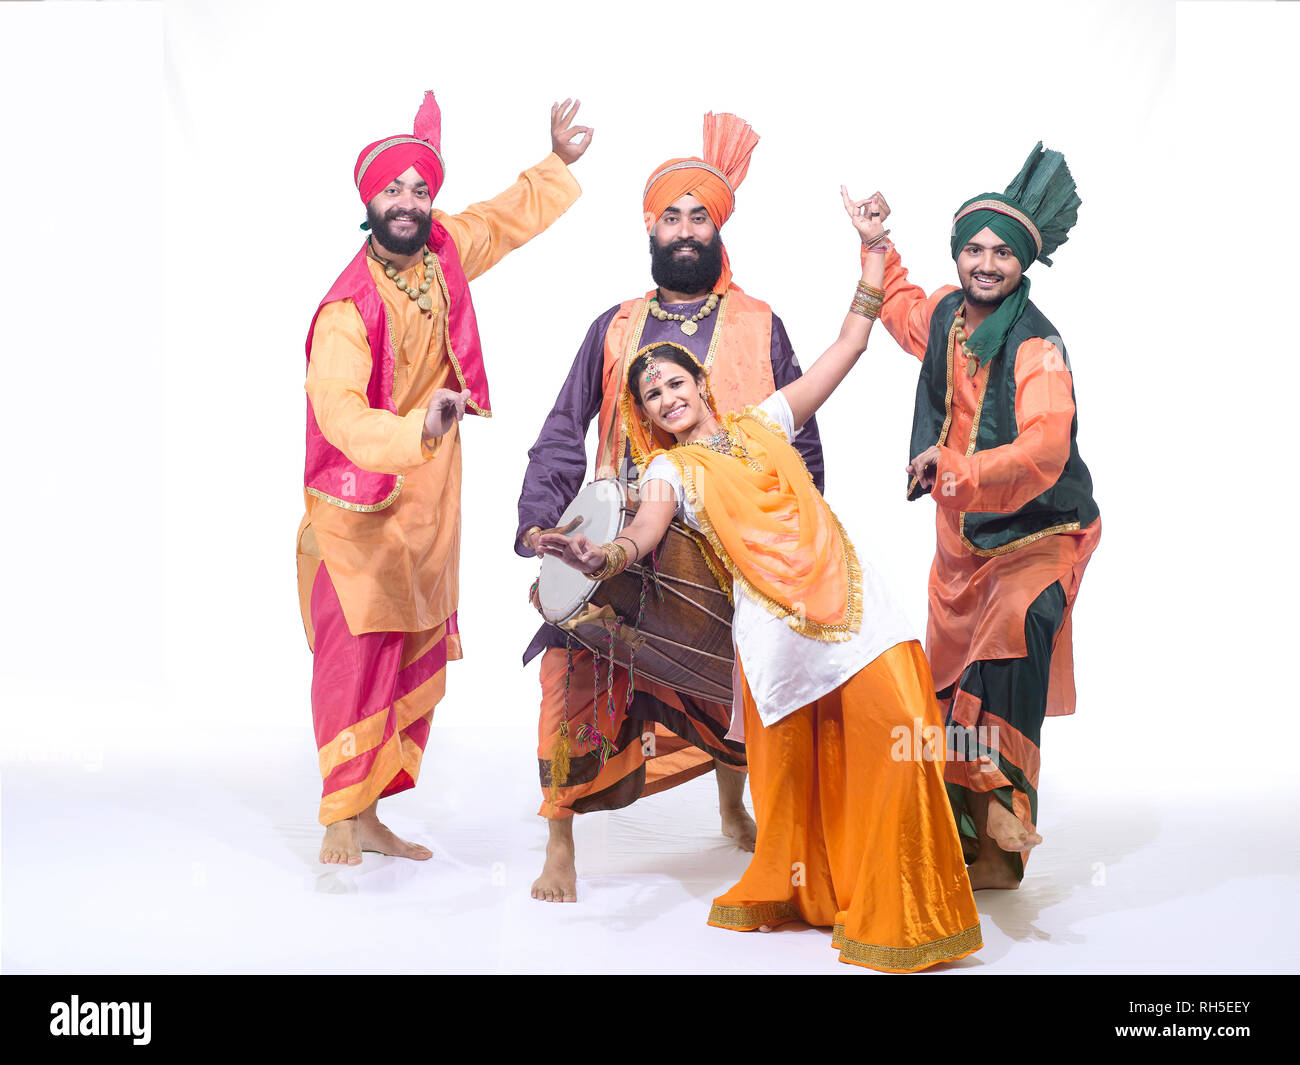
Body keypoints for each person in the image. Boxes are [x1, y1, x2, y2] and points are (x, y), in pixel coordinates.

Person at [536, 190, 981, 972]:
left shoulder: (766, 419)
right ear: (649, 415)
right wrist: (596, 558)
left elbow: (848, 347)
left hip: (856, 600)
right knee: (810, 768)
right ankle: (835, 897)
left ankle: (908, 901)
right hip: (776, 633)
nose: (670, 398)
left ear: (702, 384)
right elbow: (639, 536)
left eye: (677, 383)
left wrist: (873, 251)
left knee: (905, 733)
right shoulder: (672, 469)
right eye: (653, 396)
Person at [516, 113, 825, 903]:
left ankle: (733, 797)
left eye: (699, 217)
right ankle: (559, 837)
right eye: (671, 216)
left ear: (717, 230)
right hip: (624, 526)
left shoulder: (761, 322)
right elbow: (562, 427)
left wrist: (804, 541)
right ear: (650, 228)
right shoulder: (613, 325)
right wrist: (538, 521)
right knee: (569, 658)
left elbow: (804, 444)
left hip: (729, 537)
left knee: (736, 666)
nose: (685, 230)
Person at [298, 93, 592, 866]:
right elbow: (338, 413)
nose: (407, 203)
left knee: (400, 653)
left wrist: (556, 164)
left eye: (419, 191)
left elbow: (503, 219)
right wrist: (415, 429)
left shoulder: (444, 251)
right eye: (392, 190)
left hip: (426, 508)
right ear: (367, 201)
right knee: (353, 655)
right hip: (353, 510)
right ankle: (338, 812)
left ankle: (367, 815)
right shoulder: (346, 310)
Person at [870, 143, 1100, 888]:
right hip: (960, 548)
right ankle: (976, 842)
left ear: (1022, 264)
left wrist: (959, 471)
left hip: (1039, 536)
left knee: (1007, 645)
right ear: (958, 253)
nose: (987, 263)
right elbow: (898, 303)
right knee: (945, 683)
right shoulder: (944, 319)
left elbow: (1044, 447)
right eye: (975, 248)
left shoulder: (1038, 347)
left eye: (1002, 252)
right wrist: (876, 242)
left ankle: (1002, 818)